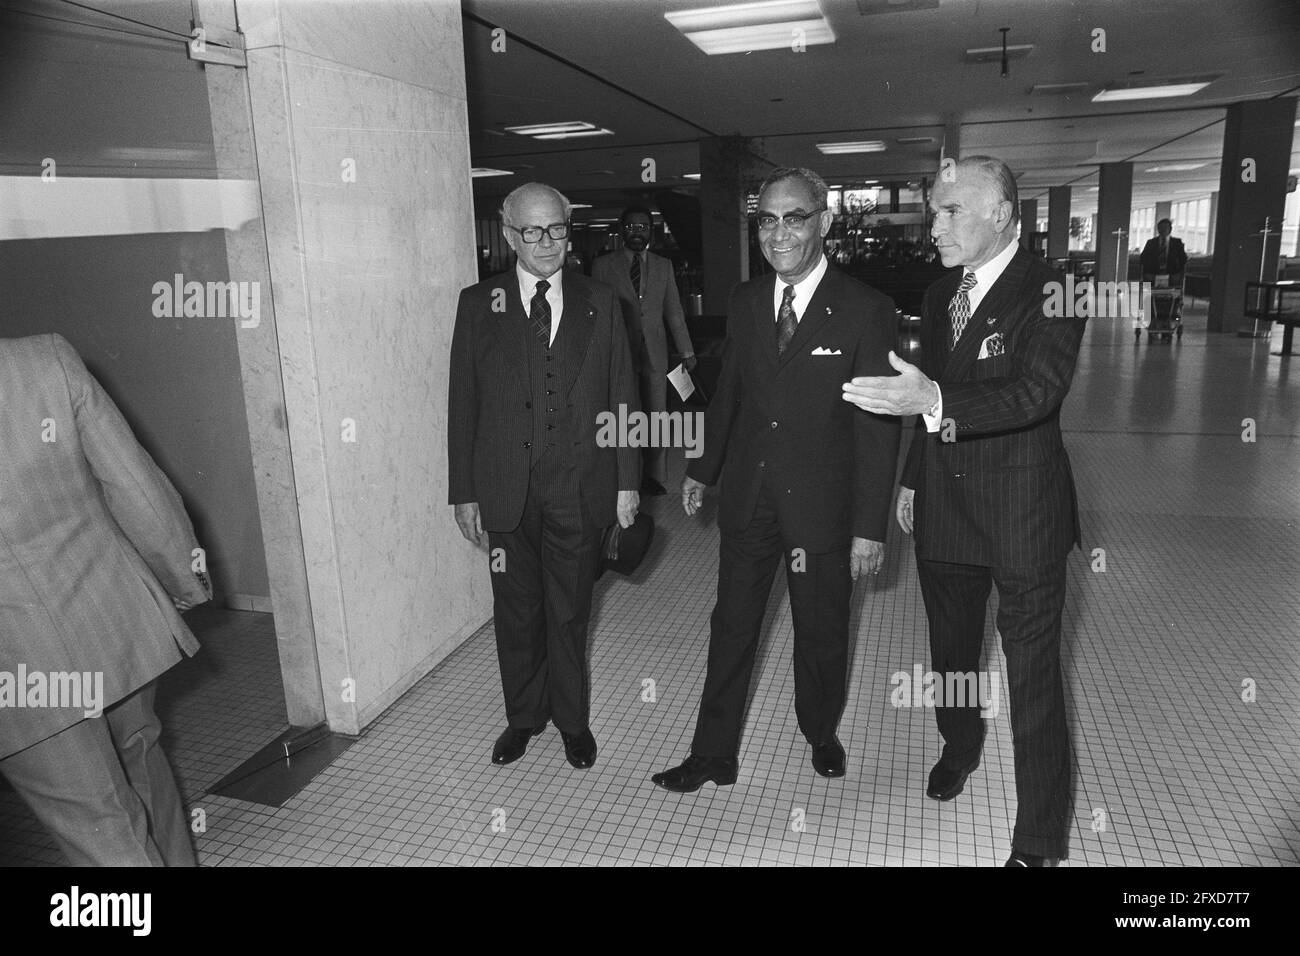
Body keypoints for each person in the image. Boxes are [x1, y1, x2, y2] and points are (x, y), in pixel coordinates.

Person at [841, 155, 1085, 867]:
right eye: (933, 211)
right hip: (945, 505)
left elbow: (1036, 392)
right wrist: (914, 477)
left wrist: (935, 404)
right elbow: (930, 392)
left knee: (1033, 677)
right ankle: (960, 743)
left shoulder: (1056, 289)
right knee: (952, 654)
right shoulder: (942, 288)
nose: (934, 226)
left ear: (1002, 213)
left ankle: (1038, 839)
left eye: (951, 212)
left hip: (1022, 512)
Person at [652, 167, 901, 792]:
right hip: (750, 499)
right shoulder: (744, 300)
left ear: (823, 221)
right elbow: (731, 391)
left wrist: (870, 528)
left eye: (794, 217)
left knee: (821, 631)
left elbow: (878, 431)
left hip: (823, 506)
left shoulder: (866, 310)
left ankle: (820, 732)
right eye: (767, 219)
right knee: (731, 626)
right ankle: (713, 752)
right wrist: (703, 469)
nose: (779, 232)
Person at [448, 182, 640, 771]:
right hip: (505, 488)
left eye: (557, 228)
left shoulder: (602, 301)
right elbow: (463, 403)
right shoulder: (479, 304)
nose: (548, 242)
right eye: (532, 231)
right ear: (508, 236)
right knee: (517, 609)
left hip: (581, 486)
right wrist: (464, 492)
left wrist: (629, 482)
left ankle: (572, 722)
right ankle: (523, 717)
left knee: (569, 608)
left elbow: (623, 398)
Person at [0, 333, 211, 866]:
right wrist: (182, 584)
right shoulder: (43, 360)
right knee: (140, 760)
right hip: (111, 618)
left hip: (15, 669)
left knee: (98, 825)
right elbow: (138, 490)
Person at [592, 206, 697, 496]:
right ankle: (625, 475)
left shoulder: (664, 266)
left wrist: (686, 350)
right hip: (618, 351)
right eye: (632, 227)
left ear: (650, 231)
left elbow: (674, 311)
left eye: (643, 227)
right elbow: (596, 312)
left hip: (655, 351)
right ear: (622, 230)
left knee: (656, 413)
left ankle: (653, 474)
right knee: (623, 414)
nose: (637, 232)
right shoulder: (603, 265)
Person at [1138, 218, 1187, 285]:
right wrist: (1146, 273)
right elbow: (1143, 258)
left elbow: (1183, 259)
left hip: (1171, 274)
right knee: (1151, 293)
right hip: (1153, 274)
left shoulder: (1177, 242)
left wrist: (1179, 274)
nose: (1163, 229)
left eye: (1165, 227)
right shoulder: (1151, 242)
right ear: (1158, 229)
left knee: (1170, 293)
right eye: (1161, 227)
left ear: (1170, 229)